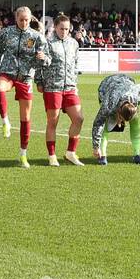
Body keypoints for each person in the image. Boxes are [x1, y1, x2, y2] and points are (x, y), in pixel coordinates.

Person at [0, 7, 47, 164]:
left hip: (26, 77)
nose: (24, 22)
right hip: (7, 73)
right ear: (16, 18)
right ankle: (5, 121)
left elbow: (47, 60)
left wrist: (43, 58)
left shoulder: (37, 37)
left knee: (25, 117)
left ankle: (23, 154)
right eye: (21, 19)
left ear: (30, 19)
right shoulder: (6, 33)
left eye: (27, 20)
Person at [36, 14, 84, 167]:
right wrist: (39, 80)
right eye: (61, 28)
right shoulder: (48, 43)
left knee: (79, 118)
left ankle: (71, 153)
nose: (64, 31)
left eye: (67, 29)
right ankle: (52, 155)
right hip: (53, 87)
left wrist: (75, 83)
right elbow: (41, 63)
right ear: (55, 28)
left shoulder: (74, 44)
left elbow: (75, 64)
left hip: (70, 87)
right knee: (53, 122)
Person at [91, 73, 140, 165]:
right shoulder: (109, 105)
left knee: (135, 122)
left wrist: (132, 113)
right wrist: (95, 147)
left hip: (127, 80)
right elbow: (98, 123)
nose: (122, 122)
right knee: (107, 125)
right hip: (107, 86)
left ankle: (137, 155)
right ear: (118, 112)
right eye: (122, 119)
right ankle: (103, 156)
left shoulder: (138, 96)